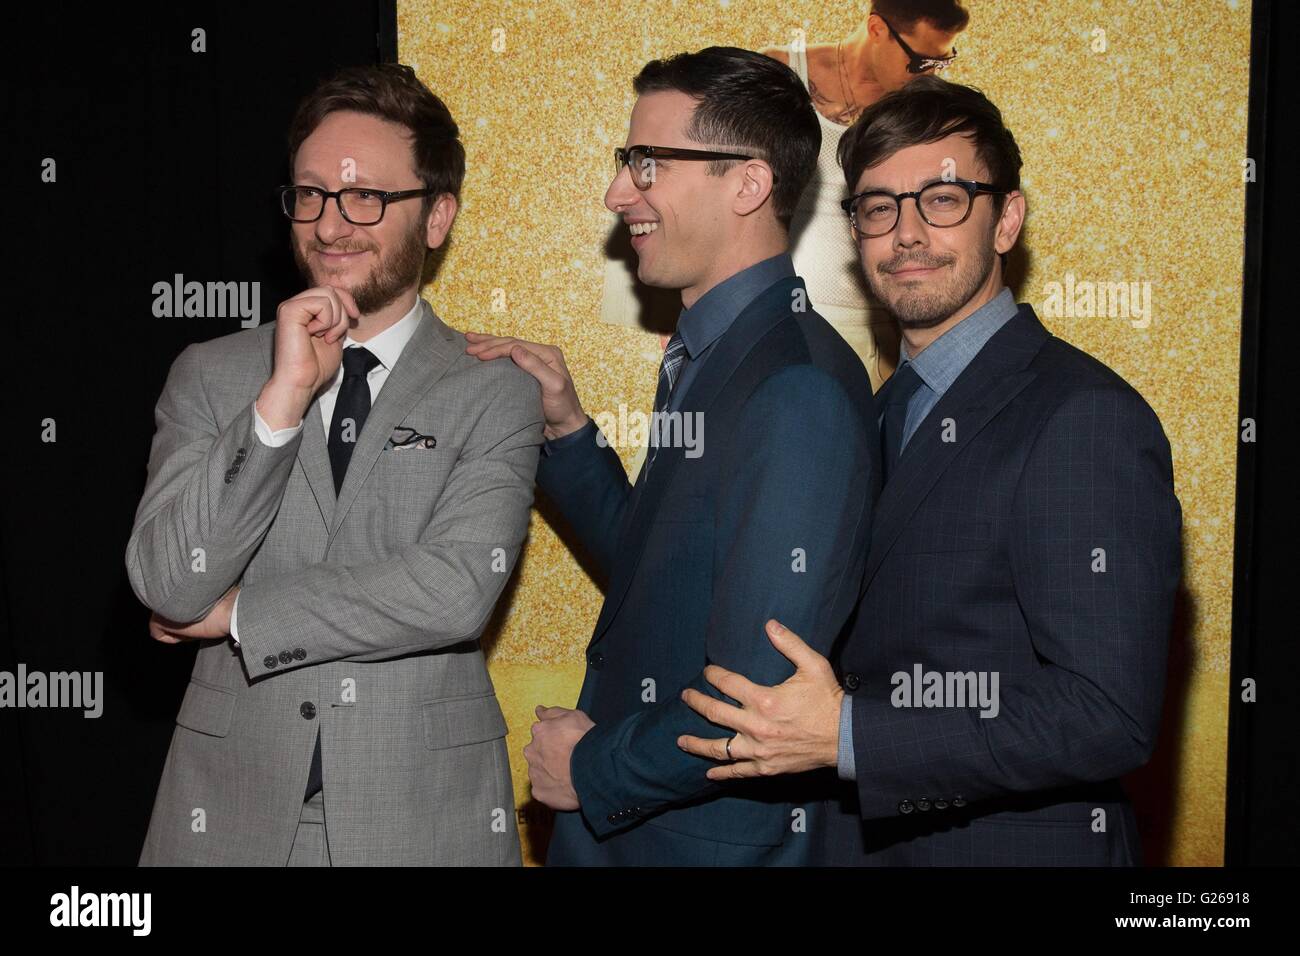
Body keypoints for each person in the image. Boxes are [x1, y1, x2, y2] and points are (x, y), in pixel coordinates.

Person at [677, 75, 1183, 866]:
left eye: (943, 199)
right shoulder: (871, 411)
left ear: (1006, 219)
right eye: (879, 207)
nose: (905, 233)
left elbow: (1106, 713)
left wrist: (849, 733)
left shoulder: (1082, 417)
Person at [466, 47, 880, 865]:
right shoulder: (720, 353)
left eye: (646, 164)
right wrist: (571, 434)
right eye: (629, 162)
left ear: (748, 184)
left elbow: (758, 700)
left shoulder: (796, 389)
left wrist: (590, 765)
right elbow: (662, 574)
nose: (619, 193)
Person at [126, 63, 543, 865]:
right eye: (310, 194)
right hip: (227, 809)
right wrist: (280, 401)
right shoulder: (212, 375)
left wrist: (246, 614)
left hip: (422, 813)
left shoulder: (493, 390)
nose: (330, 225)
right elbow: (172, 585)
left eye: (366, 199)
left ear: (437, 216)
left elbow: (455, 590)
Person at [762, 0, 970, 389]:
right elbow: (719, 190)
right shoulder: (778, 74)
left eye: (943, 61)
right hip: (790, 322)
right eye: (921, 61)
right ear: (876, 30)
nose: (933, 75)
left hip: (891, 330)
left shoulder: (927, 107)